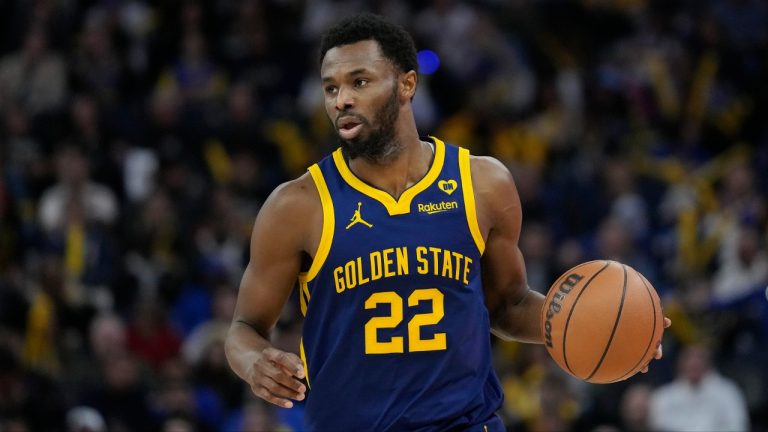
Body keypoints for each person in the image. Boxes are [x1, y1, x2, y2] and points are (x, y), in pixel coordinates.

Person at [225, 13, 668, 431]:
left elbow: (507, 305)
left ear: (407, 84)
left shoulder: (483, 184)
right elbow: (244, 329)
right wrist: (254, 362)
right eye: (330, 88)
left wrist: (607, 326)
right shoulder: (297, 205)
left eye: (359, 82)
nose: (342, 100)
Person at [649, 343, 749, 432]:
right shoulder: (663, 396)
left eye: (700, 358)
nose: (694, 363)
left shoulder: (728, 392)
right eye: (689, 357)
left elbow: (738, 426)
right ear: (680, 362)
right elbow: (658, 426)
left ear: (709, 361)